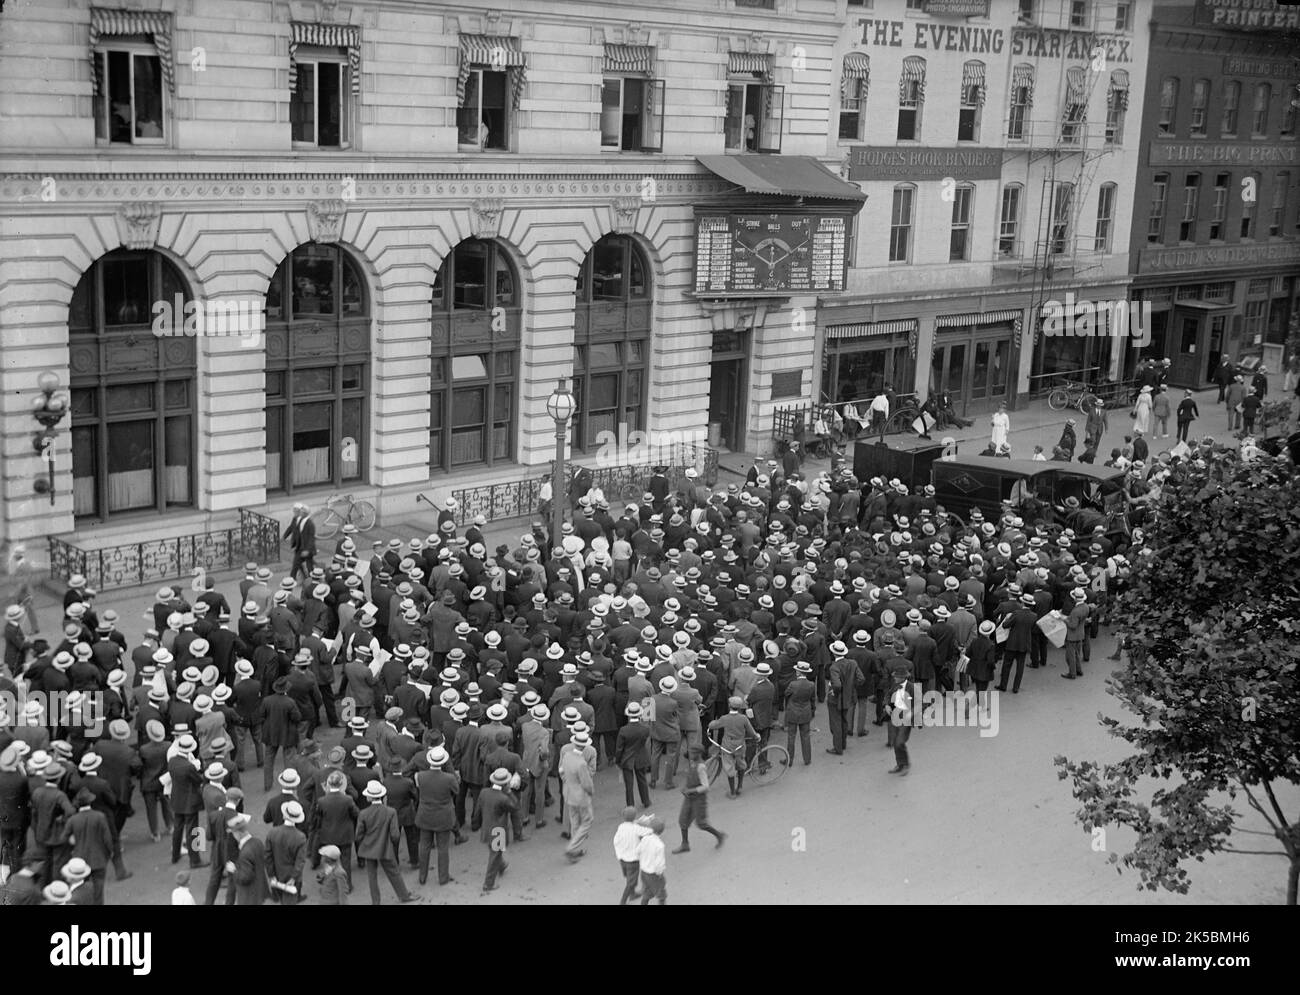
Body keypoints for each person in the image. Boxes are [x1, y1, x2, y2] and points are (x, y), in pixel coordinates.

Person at [354, 781, 418, 904]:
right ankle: (404, 896)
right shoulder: (390, 811)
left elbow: (358, 835)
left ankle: (376, 901)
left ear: (369, 797)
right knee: (394, 872)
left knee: (372, 876)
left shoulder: (363, 813)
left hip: (368, 848)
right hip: (385, 846)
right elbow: (395, 834)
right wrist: (392, 844)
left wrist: (364, 842)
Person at [471, 767, 519, 893]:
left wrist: (476, 823)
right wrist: (509, 792)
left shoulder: (484, 792)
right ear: (505, 784)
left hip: (486, 826)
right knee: (495, 854)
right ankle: (488, 883)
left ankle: (501, 865)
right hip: (498, 829)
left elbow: (477, 810)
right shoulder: (503, 798)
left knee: (494, 851)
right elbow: (515, 807)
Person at [672, 744, 725, 854]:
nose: (690, 755)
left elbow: (705, 786)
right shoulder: (692, 763)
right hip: (689, 798)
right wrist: (686, 788)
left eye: (692, 753)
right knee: (683, 820)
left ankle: (719, 835)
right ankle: (685, 844)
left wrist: (691, 790)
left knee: (701, 823)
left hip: (699, 800)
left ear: (698, 753)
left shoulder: (701, 767)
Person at [612, 806, 648, 905]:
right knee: (631, 882)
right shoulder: (636, 828)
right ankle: (623, 901)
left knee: (629, 878)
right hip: (633, 860)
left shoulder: (621, 827)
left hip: (622, 859)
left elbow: (616, 840)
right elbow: (647, 832)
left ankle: (632, 894)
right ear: (635, 817)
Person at [783, 661, 816, 766]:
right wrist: (812, 711)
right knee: (805, 736)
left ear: (798, 672)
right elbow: (812, 699)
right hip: (805, 712)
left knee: (791, 737)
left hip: (793, 712)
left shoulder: (793, 684)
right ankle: (807, 759)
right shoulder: (811, 684)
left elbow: (786, 694)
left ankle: (789, 760)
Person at [885, 665, 912, 776]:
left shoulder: (912, 688)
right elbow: (888, 695)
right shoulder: (895, 686)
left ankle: (905, 764)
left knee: (900, 742)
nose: (894, 678)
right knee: (895, 742)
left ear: (902, 677)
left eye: (896, 676)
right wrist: (886, 705)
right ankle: (900, 764)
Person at [636, 816, 667, 905]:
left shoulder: (645, 838)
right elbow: (659, 863)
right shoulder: (660, 845)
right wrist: (660, 873)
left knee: (647, 891)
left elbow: (638, 850)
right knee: (661, 893)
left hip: (644, 871)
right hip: (653, 874)